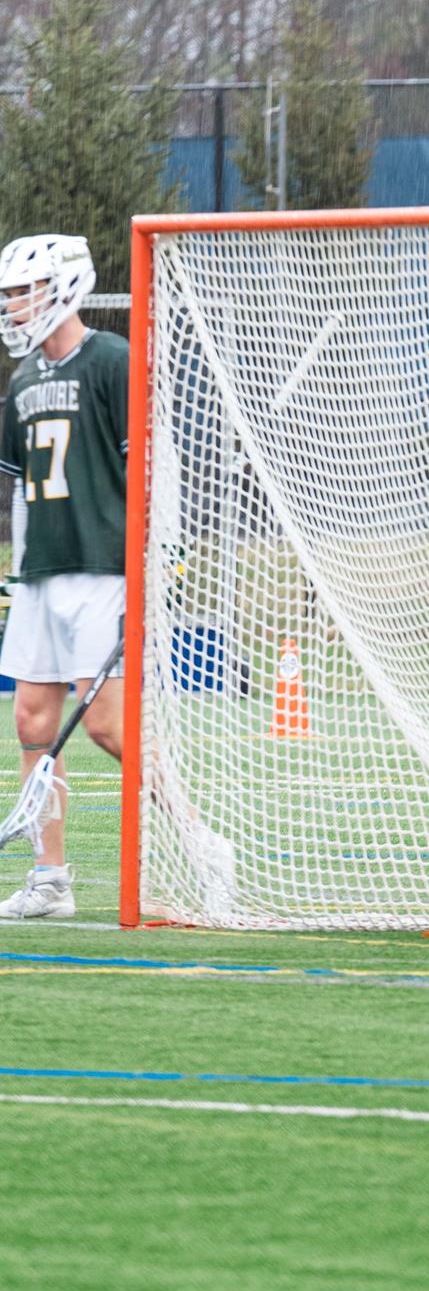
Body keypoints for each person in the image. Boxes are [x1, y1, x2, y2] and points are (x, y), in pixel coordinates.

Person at [0, 233, 126, 920]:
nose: (15, 306)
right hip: (42, 574)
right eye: (10, 295)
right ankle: (50, 880)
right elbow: (23, 491)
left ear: (65, 287)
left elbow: (150, 464)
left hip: (102, 568)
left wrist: (155, 562)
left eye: (25, 292)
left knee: (106, 726)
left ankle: (201, 845)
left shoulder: (111, 360)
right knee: (32, 718)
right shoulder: (23, 382)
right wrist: (18, 572)